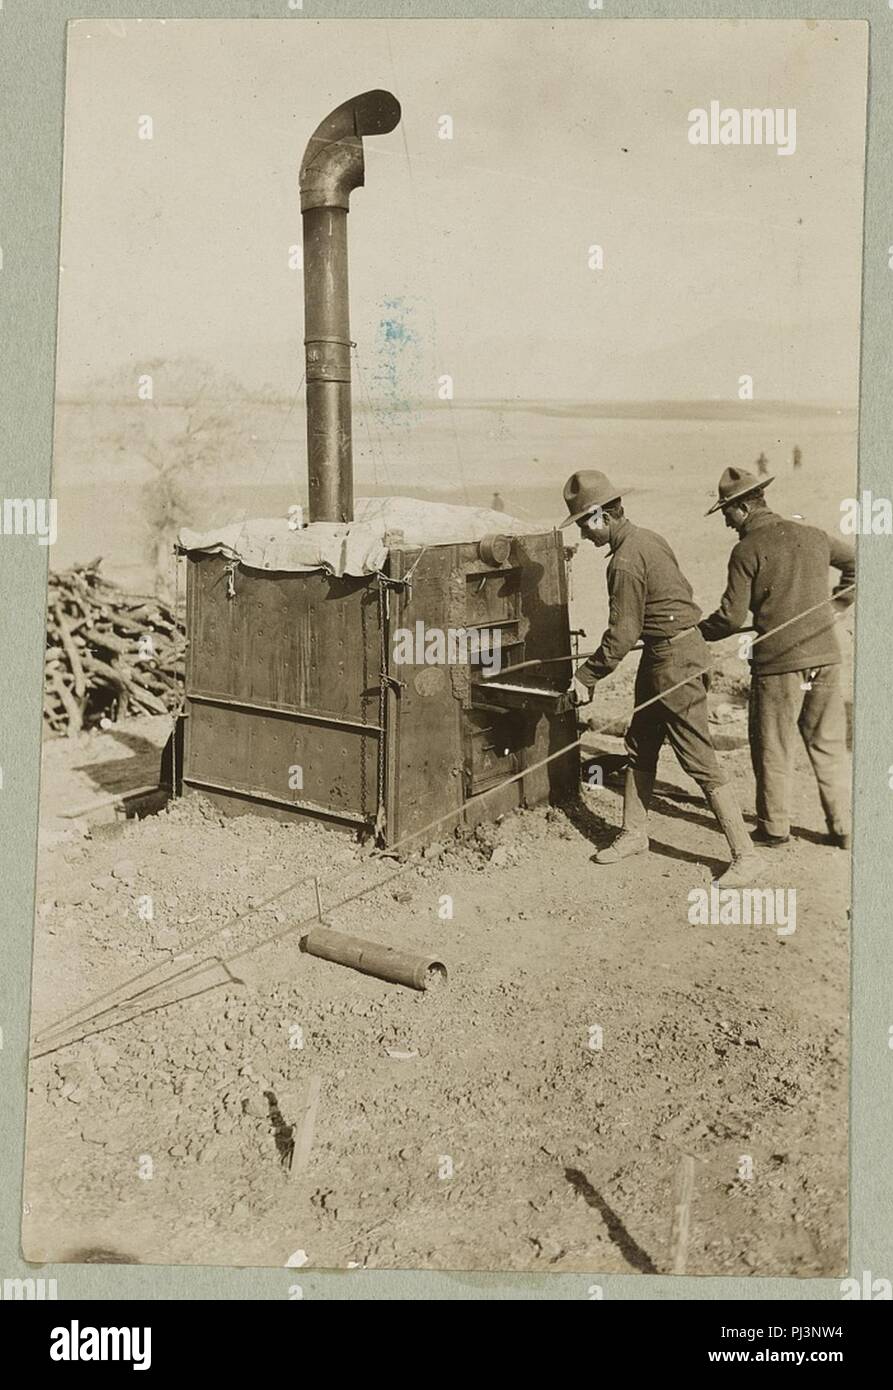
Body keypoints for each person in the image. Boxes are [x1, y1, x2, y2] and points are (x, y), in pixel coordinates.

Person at [561, 469, 764, 888]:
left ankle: (746, 855)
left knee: (697, 758)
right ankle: (635, 833)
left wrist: (587, 675)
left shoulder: (625, 562)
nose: (583, 535)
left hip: (674, 662)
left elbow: (621, 633)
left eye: (584, 524)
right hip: (667, 654)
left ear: (601, 515)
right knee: (641, 743)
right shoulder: (649, 538)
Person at [700, 467, 855, 847]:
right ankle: (844, 828)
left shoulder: (746, 550)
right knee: (828, 744)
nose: (725, 522)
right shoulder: (813, 535)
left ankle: (774, 828)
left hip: (779, 665)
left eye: (726, 512)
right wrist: (838, 604)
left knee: (772, 744)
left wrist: (697, 632)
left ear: (741, 508)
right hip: (826, 657)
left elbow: (731, 617)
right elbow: (856, 565)